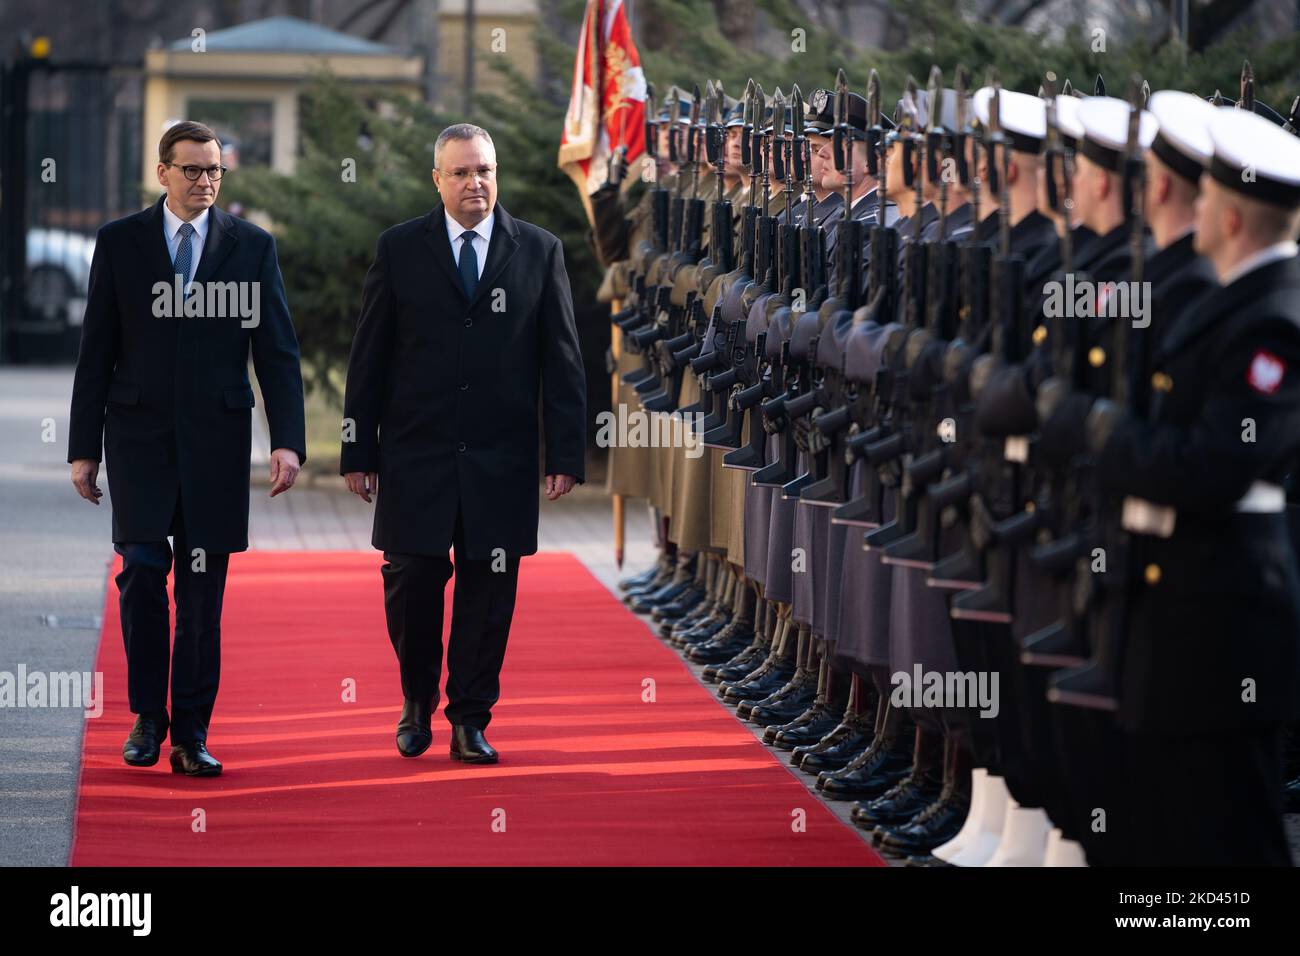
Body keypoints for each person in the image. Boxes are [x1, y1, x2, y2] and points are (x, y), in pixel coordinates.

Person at [340, 123, 587, 764]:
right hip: (415, 454)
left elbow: (562, 361)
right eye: (460, 172)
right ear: (437, 179)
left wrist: (563, 454)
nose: (474, 182)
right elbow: (369, 357)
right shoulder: (400, 249)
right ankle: (416, 700)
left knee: (489, 593)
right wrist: (357, 449)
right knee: (411, 581)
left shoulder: (538, 250)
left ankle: (470, 719)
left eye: (484, 170)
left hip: (500, 460)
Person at [67, 120, 306, 776]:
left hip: (217, 449)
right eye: (193, 169)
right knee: (142, 574)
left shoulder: (251, 247)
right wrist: (83, 448)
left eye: (215, 171)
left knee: (202, 595)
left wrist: (288, 441)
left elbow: (276, 350)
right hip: (140, 441)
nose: (205, 181)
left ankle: (191, 735)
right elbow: (97, 352)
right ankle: (149, 717)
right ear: (162, 171)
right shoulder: (120, 244)